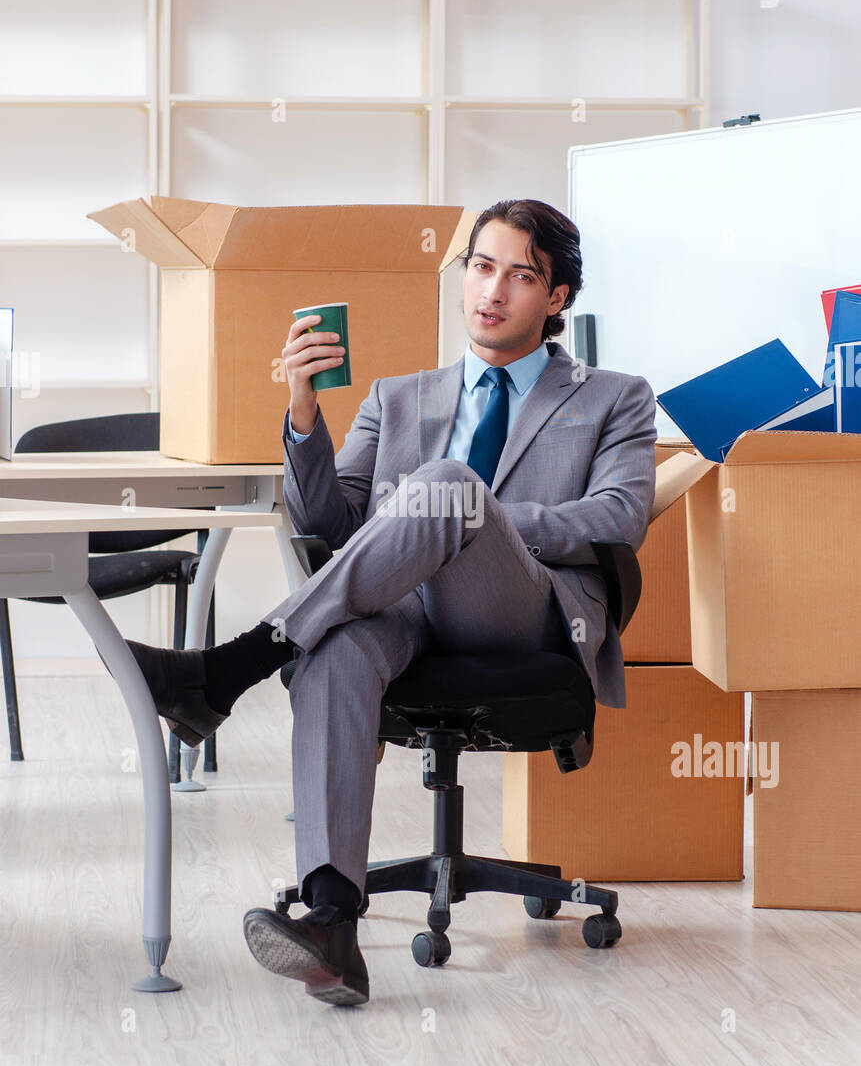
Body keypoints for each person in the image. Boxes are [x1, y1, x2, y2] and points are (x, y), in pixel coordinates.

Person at [126, 197, 657, 1007]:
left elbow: (618, 515)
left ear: (553, 299)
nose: (493, 290)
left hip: (519, 611)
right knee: (337, 648)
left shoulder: (612, 395)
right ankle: (333, 925)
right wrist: (305, 412)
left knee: (443, 487)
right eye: (481, 267)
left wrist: (468, 517)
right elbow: (328, 521)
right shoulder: (397, 396)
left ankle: (236, 665)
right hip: (399, 612)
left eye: (520, 276)